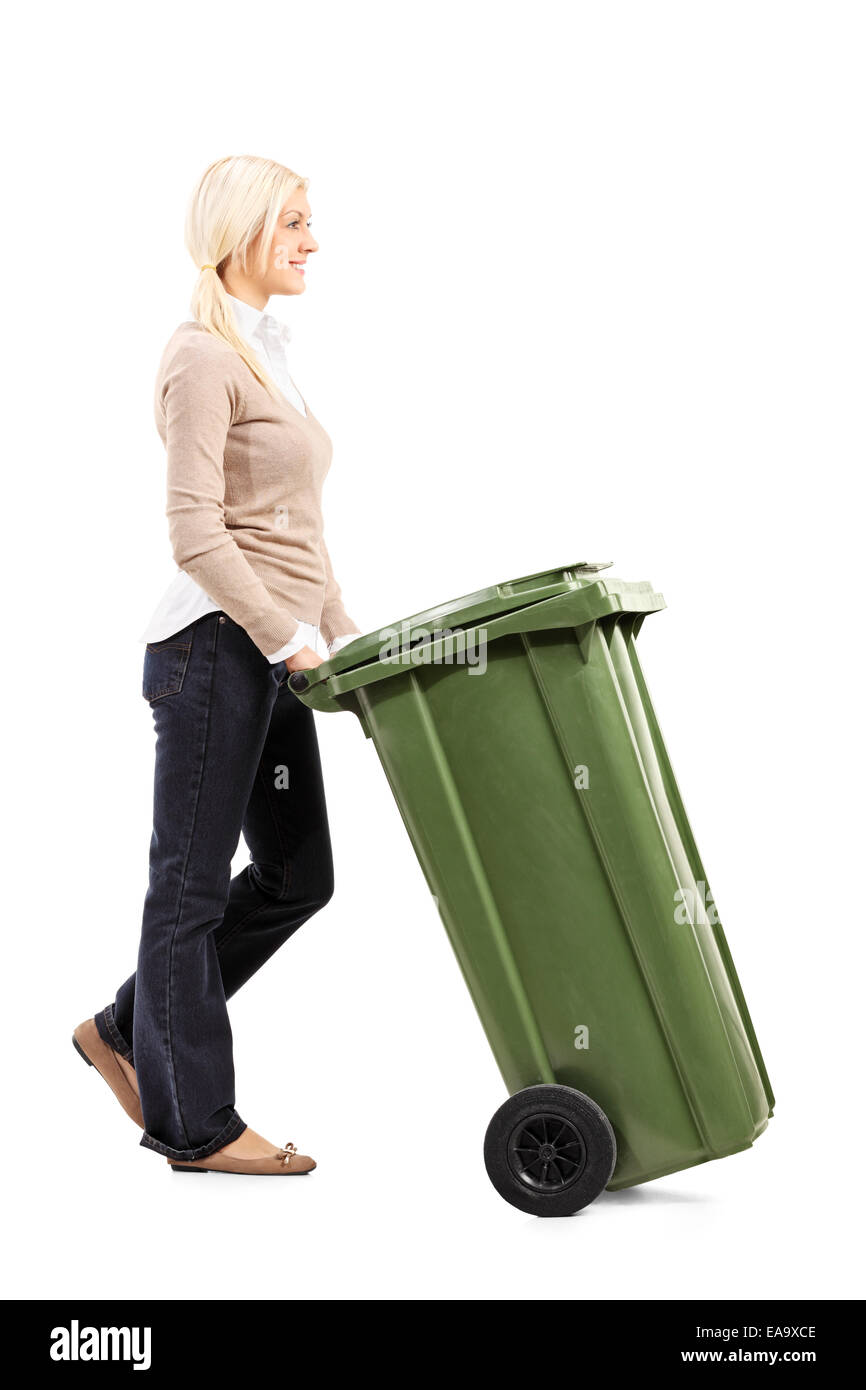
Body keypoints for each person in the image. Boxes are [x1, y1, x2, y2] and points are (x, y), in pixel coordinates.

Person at [73, 154, 361, 1176]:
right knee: (188, 890)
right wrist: (290, 638)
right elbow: (197, 533)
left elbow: (298, 533)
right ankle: (194, 1123)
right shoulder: (200, 355)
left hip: (271, 651)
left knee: (297, 875)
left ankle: (121, 1027)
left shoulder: (265, 350)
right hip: (212, 650)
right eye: (292, 222)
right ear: (243, 231)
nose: (310, 240)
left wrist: (348, 647)